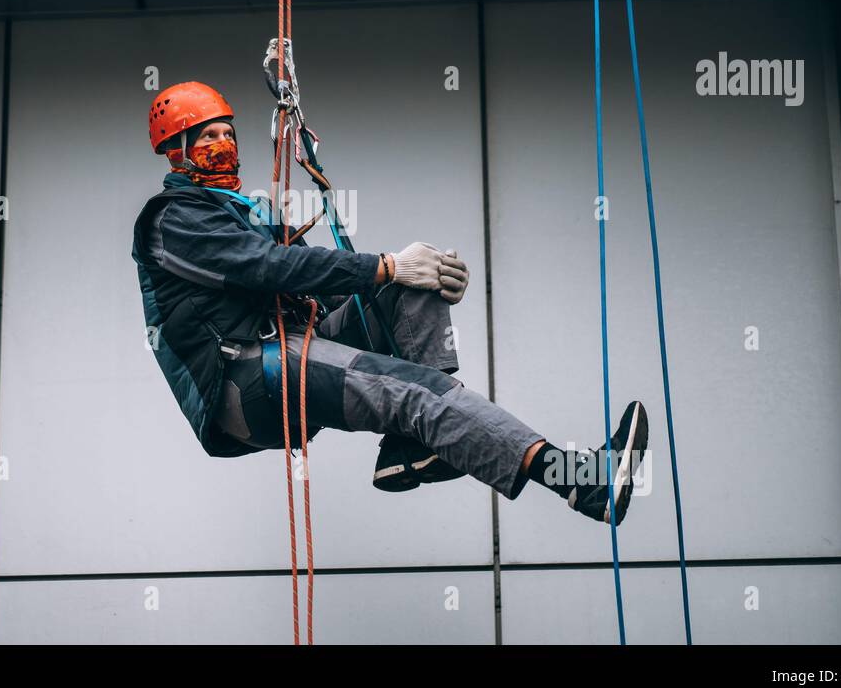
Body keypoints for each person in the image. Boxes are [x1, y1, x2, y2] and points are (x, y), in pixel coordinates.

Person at [131, 81, 648, 524]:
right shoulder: (172, 220)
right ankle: (581, 483)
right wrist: (385, 264)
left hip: (282, 356)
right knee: (416, 390)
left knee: (410, 292)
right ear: (177, 150)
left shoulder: (246, 212)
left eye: (227, 133)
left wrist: (415, 275)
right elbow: (268, 266)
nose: (223, 144)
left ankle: (413, 448)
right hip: (245, 378)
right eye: (207, 137)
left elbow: (324, 283)